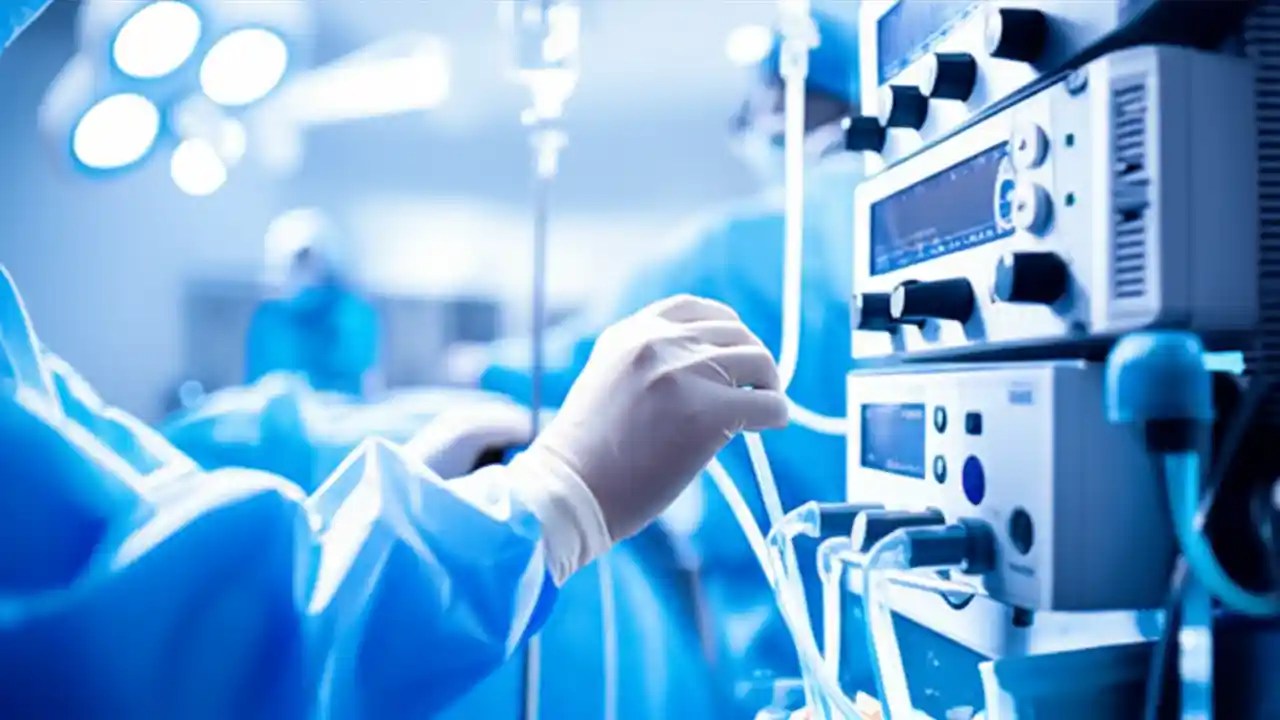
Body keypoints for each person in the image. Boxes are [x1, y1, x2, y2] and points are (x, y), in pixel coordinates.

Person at [477, 10, 870, 709]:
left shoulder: (721, 256)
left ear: (775, 106)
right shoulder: (917, 220)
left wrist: (471, 369)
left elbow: (573, 374)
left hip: (789, 660)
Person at [245, 210, 381, 397]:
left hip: (340, 408)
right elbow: (259, 378)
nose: (306, 268)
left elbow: (361, 371)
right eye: (300, 260)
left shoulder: (351, 312)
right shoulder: (271, 316)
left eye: (311, 259)